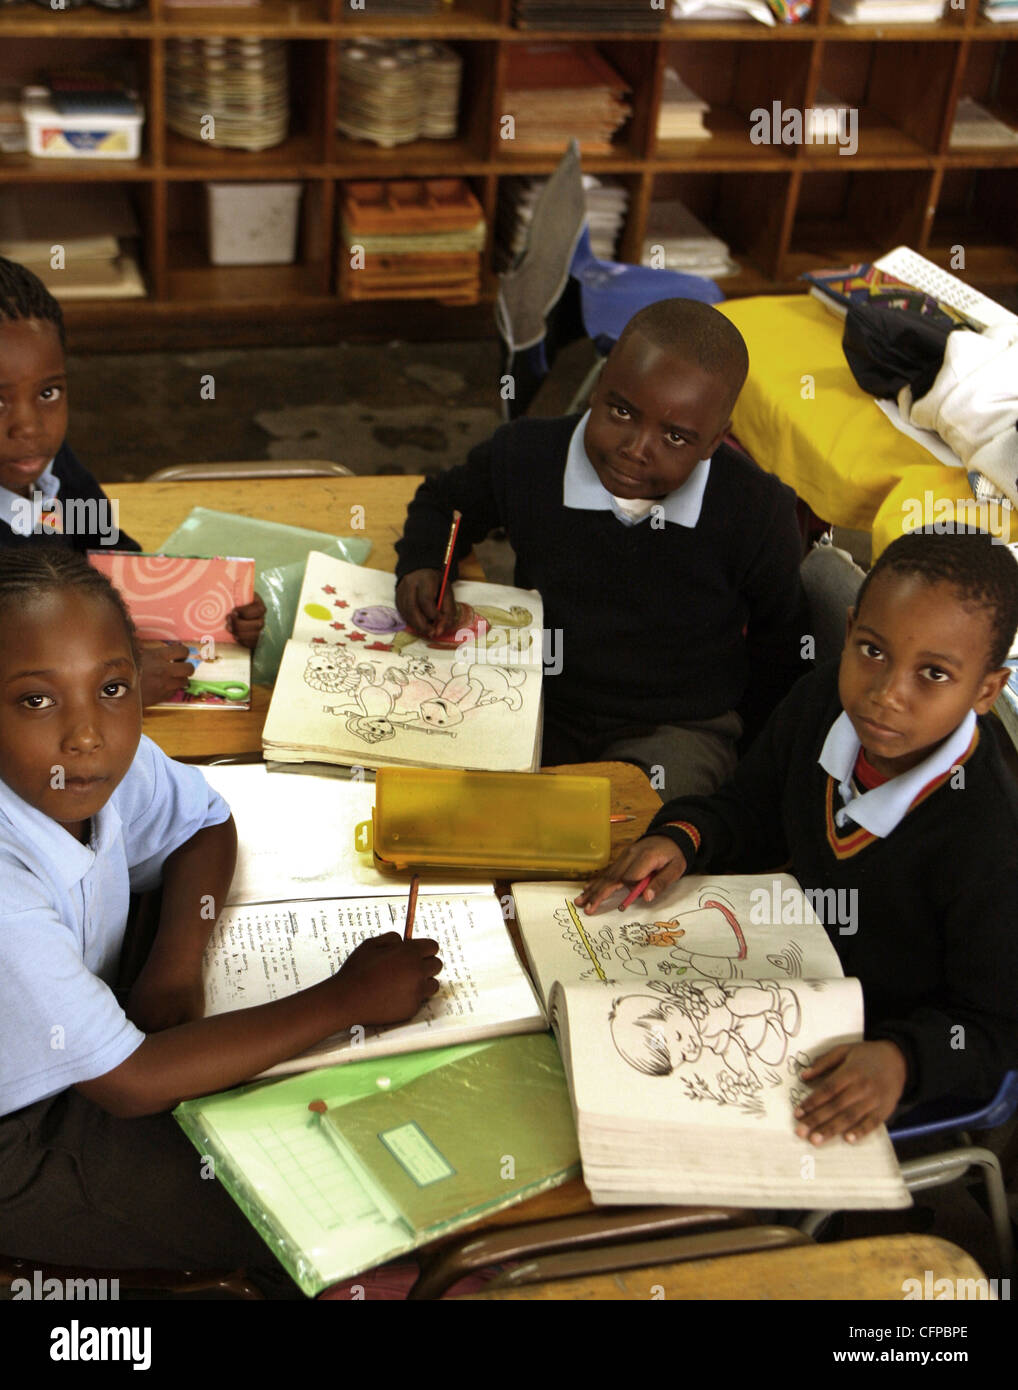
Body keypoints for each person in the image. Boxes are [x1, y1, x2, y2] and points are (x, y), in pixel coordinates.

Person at [0, 549, 441, 1291]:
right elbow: (133, 1082)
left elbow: (202, 824)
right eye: (37, 701)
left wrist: (175, 964)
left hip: (99, 1015)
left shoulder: (94, 758)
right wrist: (347, 1001)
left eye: (112, 687)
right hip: (27, 1135)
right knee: (310, 1202)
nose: (87, 734)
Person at [577, 528, 1018, 1143]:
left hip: (874, 1058)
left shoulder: (989, 833)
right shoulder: (822, 706)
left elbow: (995, 1023)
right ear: (850, 625)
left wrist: (902, 1059)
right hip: (782, 972)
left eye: (934, 674)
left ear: (986, 691)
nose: (887, 694)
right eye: (872, 650)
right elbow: (751, 808)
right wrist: (683, 838)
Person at [394, 298, 805, 798]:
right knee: (448, 793)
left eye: (675, 437)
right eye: (622, 410)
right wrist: (424, 564)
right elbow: (444, 502)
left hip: (678, 729)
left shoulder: (757, 512)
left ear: (715, 441)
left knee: (641, 841)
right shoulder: (527, 455)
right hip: (539, 697)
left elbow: (780, 646)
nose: (636, 447)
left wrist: (749, 780)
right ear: (597, 387)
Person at [0, 256, 265, 705]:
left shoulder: (51, 468)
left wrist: (214, 607)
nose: (28, 426)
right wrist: (111, 690)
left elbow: (111, 555)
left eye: (48, 393)